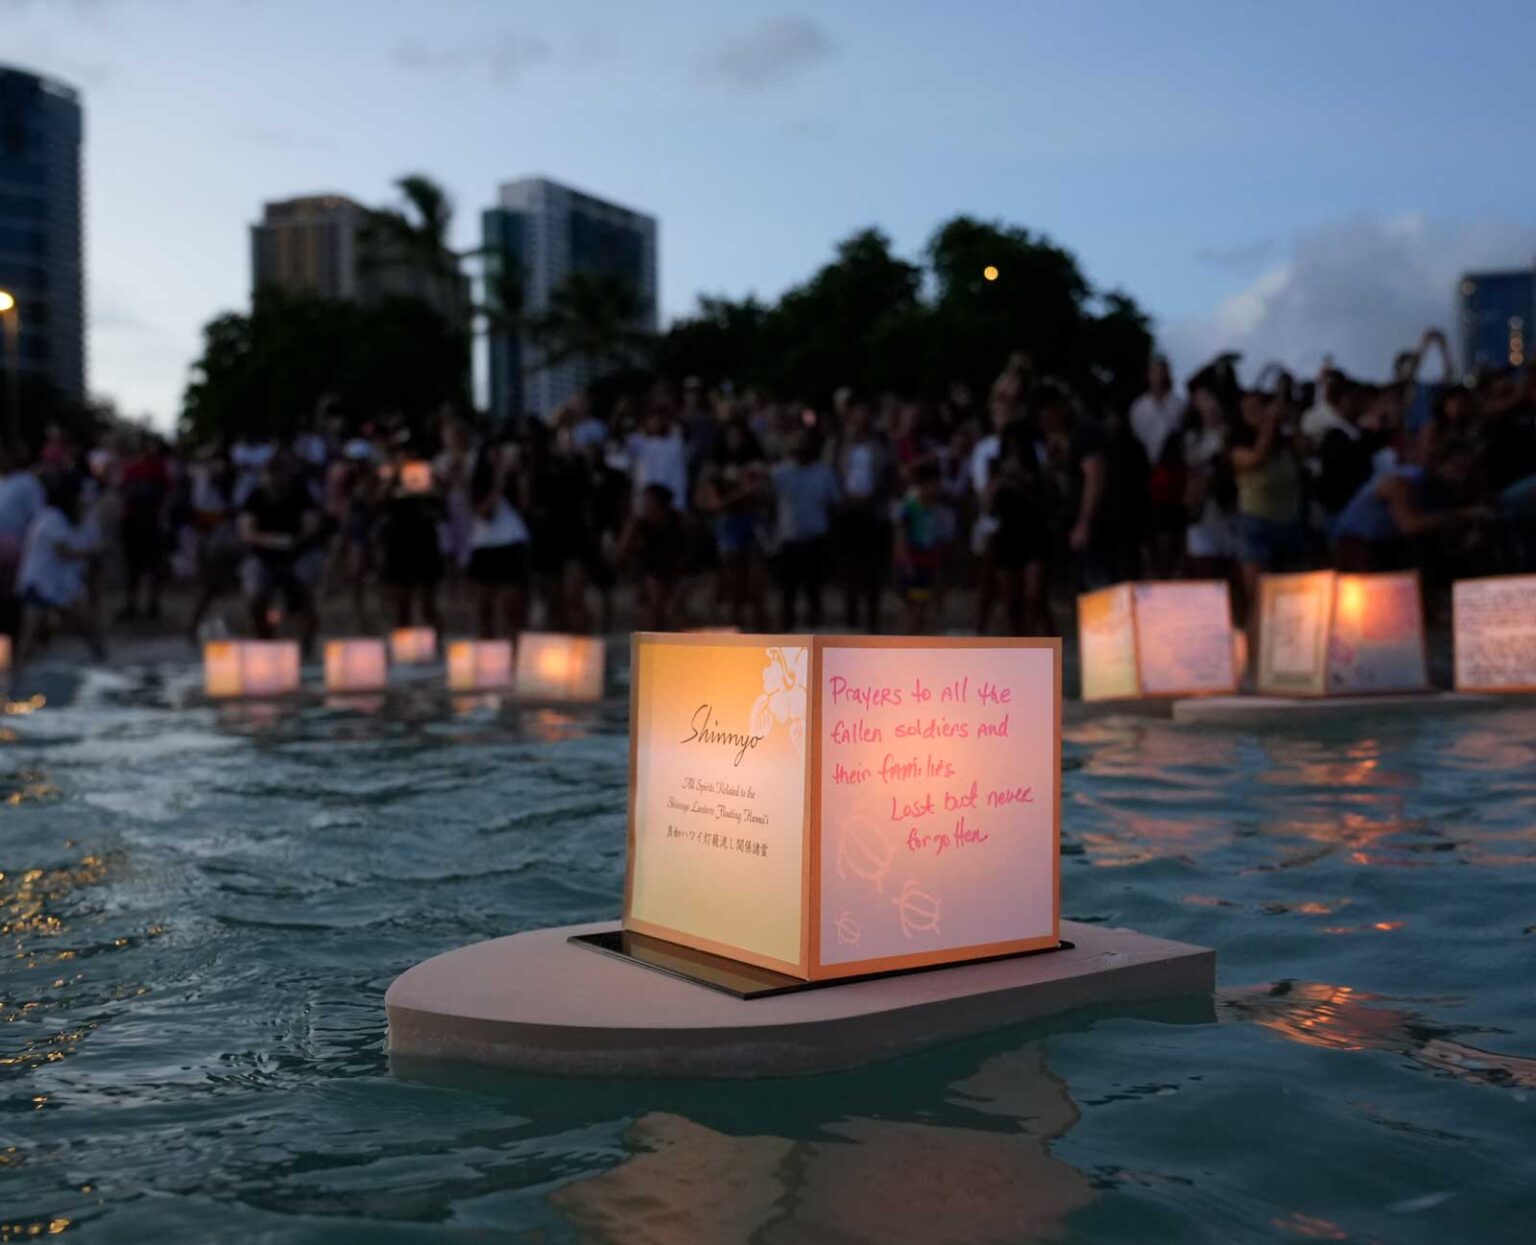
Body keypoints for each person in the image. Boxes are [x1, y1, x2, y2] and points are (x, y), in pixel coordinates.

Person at [1331, 436, 1492, 573]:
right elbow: (1410, 525)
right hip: (1358, 545)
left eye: (1466, 471)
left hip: (1387, 546)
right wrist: (1464, 514)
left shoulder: (1439, 489)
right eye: (1456, 470)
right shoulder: (1403, 482)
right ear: (1438, 465)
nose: (1460, 478)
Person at [238, 452, 321, 656]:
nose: (275, 478)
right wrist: (269, 540)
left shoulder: (300, 494)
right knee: (256, 597)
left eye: (279, 473)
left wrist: (295, 540)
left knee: (304, 595)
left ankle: (306, 647)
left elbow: (312, 524)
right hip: (262, 556)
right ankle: (264, 644)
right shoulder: (255, 496)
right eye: (271, 473)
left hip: (298, 554)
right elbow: (246, 530)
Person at [16, 474, 105, 662]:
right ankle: (16, 677)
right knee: (30, 636)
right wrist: (94, 552)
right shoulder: (51, 518)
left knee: (87, 626)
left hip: (59, 586)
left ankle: (102, 661)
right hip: (40, 585)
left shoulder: (66, 520)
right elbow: (64, 551)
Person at [833, 395, 892, 632]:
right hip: (849, 512)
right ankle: (851, 622)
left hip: (872, 511)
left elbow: (888, 472)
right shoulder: (839, 443)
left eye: (865, 413)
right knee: (850, 570)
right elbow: (833, 473)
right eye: (857, 413)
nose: (861, 418)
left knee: (872, 571)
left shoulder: (880, 443)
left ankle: (872, 622)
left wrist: (874, 497)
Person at [771, 430, 840, 629]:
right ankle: (787, 633)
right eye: (798, 447)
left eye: (805, 447)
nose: (801, 451)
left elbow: (834, 504)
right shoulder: (780, 474)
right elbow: (769, 501)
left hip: (815, 540)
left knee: (814, 590)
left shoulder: (825, 474)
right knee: (788, 592)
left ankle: (815, 635)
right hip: (789, 540)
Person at [466, 444, 530, 640]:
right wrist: (499, 479)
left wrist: (518, 476)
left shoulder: (514, 481)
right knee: (485, 607)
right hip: (486, 546)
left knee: (512, 607)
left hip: (512, 544)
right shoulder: (480, 485)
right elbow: (487, 513)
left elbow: (525, 505)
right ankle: (489, 651)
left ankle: (516, 650)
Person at [378, 452, 444, 636]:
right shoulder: (391, 480)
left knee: (427, 603)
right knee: (401, 604)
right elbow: (379, 504)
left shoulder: (429, 483)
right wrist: (392, 478)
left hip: (424, 544)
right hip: (399, 544)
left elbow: (441, 509)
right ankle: (403, 646)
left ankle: (434, 644)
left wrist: (432, 485)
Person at [117, 434, 171, 621]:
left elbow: (166, 493)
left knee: (154, 566)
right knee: (133, 567)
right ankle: (131, 604)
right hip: (134, 522)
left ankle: (152, 604)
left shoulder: (159, 469)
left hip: (152, 522)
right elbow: (124, 491)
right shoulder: (131, 468)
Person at [618, 482, 685, 630]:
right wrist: (631, 529)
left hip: (677, 574)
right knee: (651, 599)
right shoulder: (640, 525)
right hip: (649, 573)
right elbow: (622, 552)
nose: (645, 507)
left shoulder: (679, 523)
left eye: (649, 503)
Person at [893, 460, 947, 633]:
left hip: (927, 561)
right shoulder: (910, 507)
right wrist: (906, 563)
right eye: (934, 484)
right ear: (924, 484)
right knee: (914, 610)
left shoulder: (934, 508)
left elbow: (935, 538)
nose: (937, 488)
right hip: (913, 563)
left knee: (925, 611)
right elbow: (901, 536)